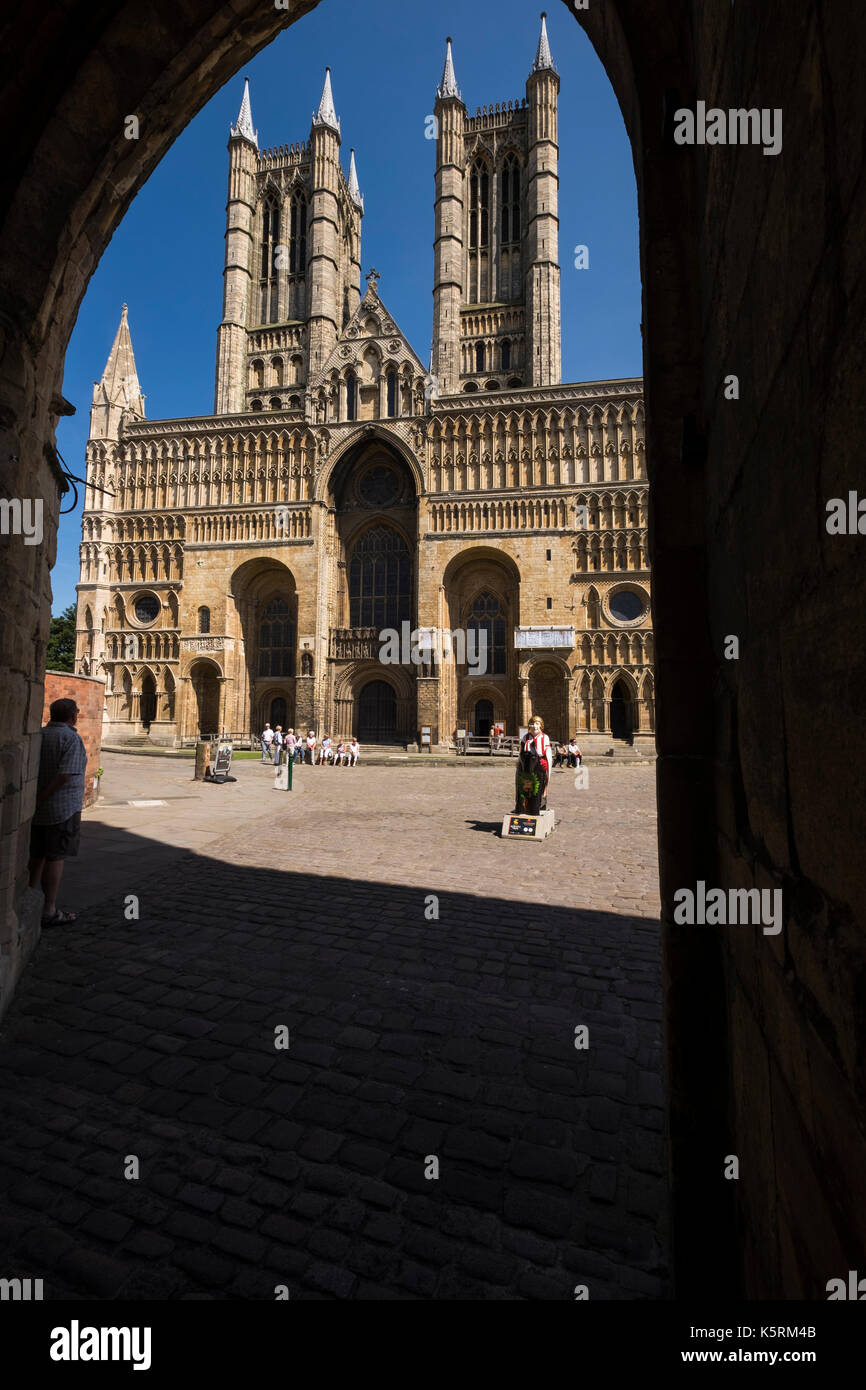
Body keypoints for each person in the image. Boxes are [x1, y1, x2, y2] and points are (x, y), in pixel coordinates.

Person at [28, 697, 87, 927]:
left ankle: (29, 897)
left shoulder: (39, 734)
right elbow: (65, 775)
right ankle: (49, 909)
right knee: (55, 857)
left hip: (38, 810)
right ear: (73, 716)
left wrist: (35, 800)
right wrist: (43, 797)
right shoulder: (70, 738)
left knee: (37, 854)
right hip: (61, 809)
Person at [521, 714, 552, 809]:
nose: (534, 726)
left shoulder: (544, 737)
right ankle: (526, 805)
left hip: (539, 764)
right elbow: (522, 751)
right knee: (526, 785)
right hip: (527, 764)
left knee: (539, 786)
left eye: (537, 724)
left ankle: (539, 804)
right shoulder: (526, 737)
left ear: (541, 725)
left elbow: (543, 752)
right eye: (532, 724)